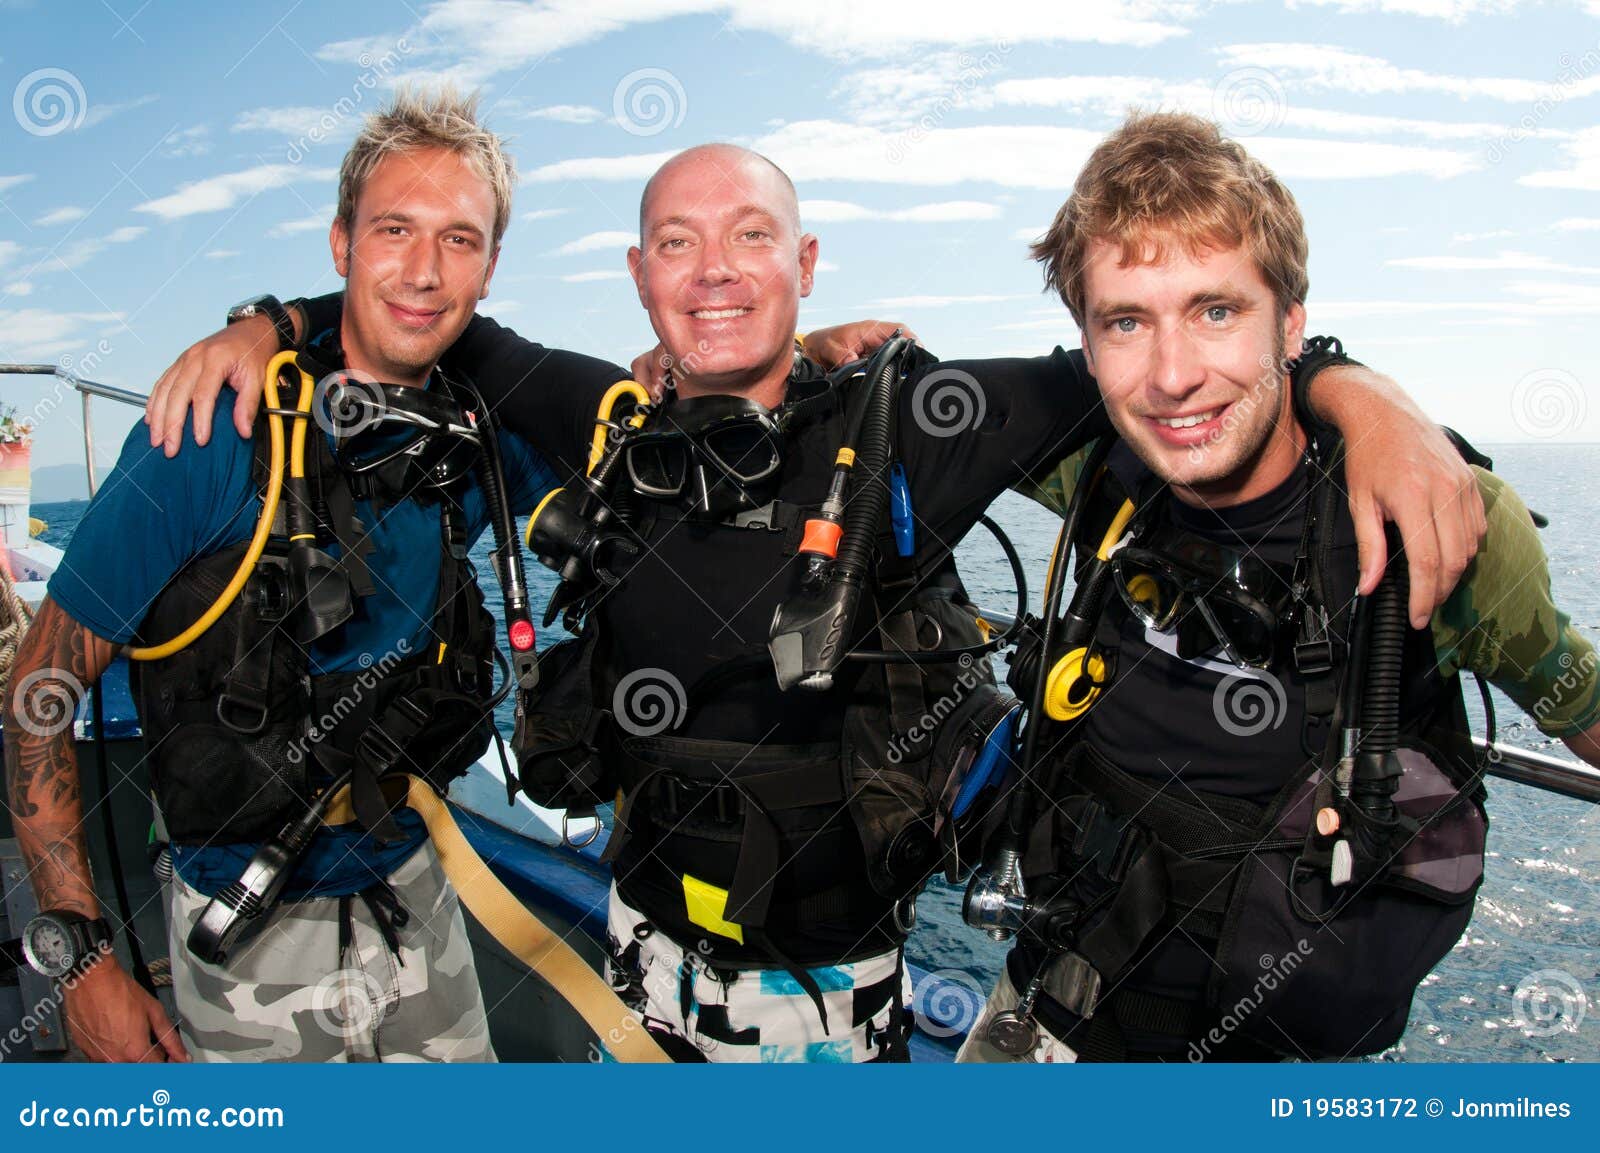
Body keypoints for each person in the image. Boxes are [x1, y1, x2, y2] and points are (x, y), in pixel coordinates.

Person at [145, 143, 1482, 1062]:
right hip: (633, 966)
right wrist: (266, 322)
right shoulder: (600, 420)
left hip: (832, 1006)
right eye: (679, 243)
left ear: (806, 260)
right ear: (638, 276)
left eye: (750, 238)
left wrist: (1365, 398)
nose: (715, 270)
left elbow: (1174, 366)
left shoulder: (912, 432)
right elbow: (416, 306)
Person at [953, 111, 1600, 1063]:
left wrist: (1368, 402)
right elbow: (899, 395)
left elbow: (1575, 700)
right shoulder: (1094, 468)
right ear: (1088, 349)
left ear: (1290, 325)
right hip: (1041, 1019)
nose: (1173, 376)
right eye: (1127, 321)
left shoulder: (1436, 518)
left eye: (1216, 310)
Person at [1, 87, 581, 1062]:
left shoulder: (477, 442)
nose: (424, 271)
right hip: (242, 930)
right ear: (340, 244)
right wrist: (81, 960)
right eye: (394, 229)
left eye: (460, 239)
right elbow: (38, 693)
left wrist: (793, 359)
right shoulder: (206, 438)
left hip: (418, 891)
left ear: (489, 269)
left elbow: (652, 406)